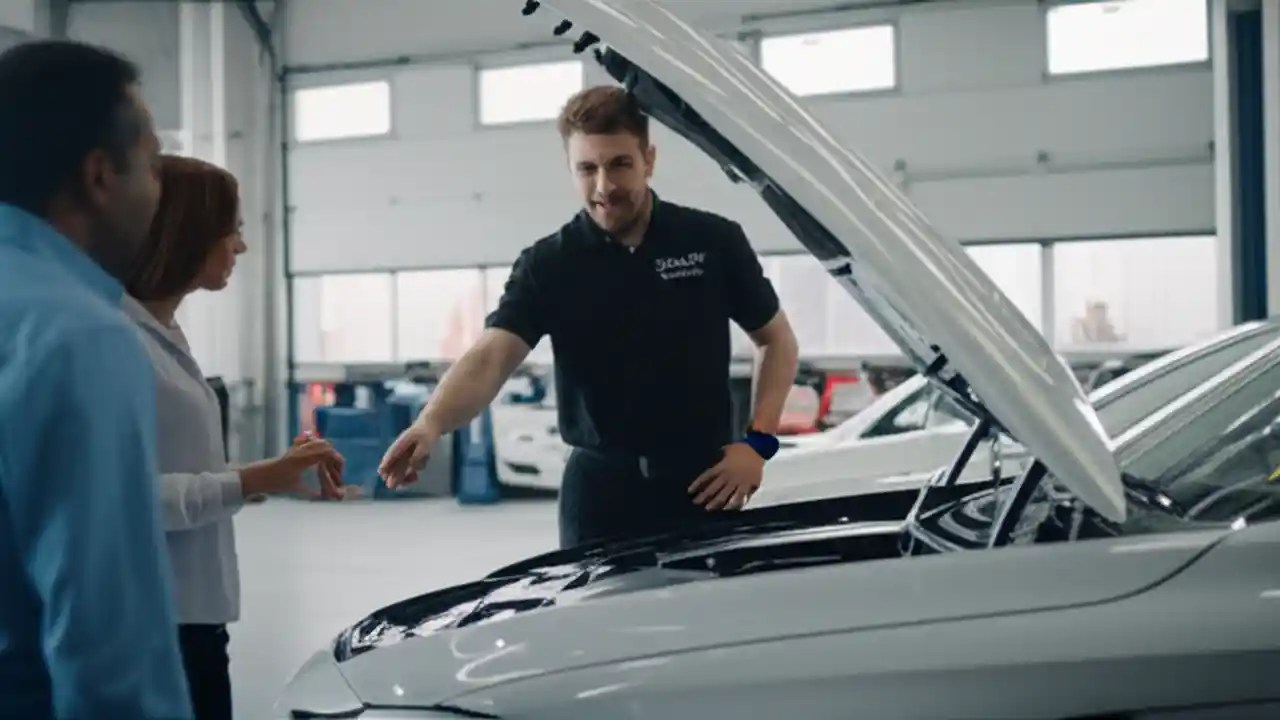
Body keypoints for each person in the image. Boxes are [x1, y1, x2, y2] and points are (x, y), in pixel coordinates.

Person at [381, 85, 800, 548]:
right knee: (591, 619)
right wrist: (430, 422)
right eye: (587, 168)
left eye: (619, 164)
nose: (604, 186)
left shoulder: (712, 242)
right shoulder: (549, 264)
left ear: (649, 160)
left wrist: (758, 445)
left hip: (704, 482)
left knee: (700, 617)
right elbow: (491, 358)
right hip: (600, 491)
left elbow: (776, 340)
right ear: (571, 169)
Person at [0, 41, 193, 718]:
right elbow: (106, 638)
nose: (156, 192)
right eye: (152, 166)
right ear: (99, 174)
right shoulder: (75, 334)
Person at [124, 153, 347, 720]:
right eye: (233, 230)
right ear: (186, 233)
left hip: (192, 611)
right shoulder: (120, 340)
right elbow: (121, 500)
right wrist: (252, 478)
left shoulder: (161, 331)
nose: (240, 247)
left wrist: (261, 479)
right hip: (153, 620)